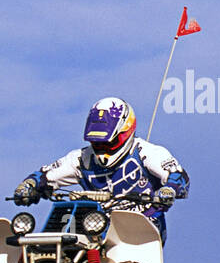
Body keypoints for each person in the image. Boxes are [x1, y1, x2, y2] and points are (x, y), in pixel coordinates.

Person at [12, 96, 189, 243]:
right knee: (59, 220)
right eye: (97, 143)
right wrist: (29, 186)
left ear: (125, 132)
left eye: (108, 142)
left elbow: (179, 176)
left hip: (142, 227)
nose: (102, 148)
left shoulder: (147, 152)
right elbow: (46, 175)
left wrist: (169, 190)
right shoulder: (82, 158)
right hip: (94, 223)